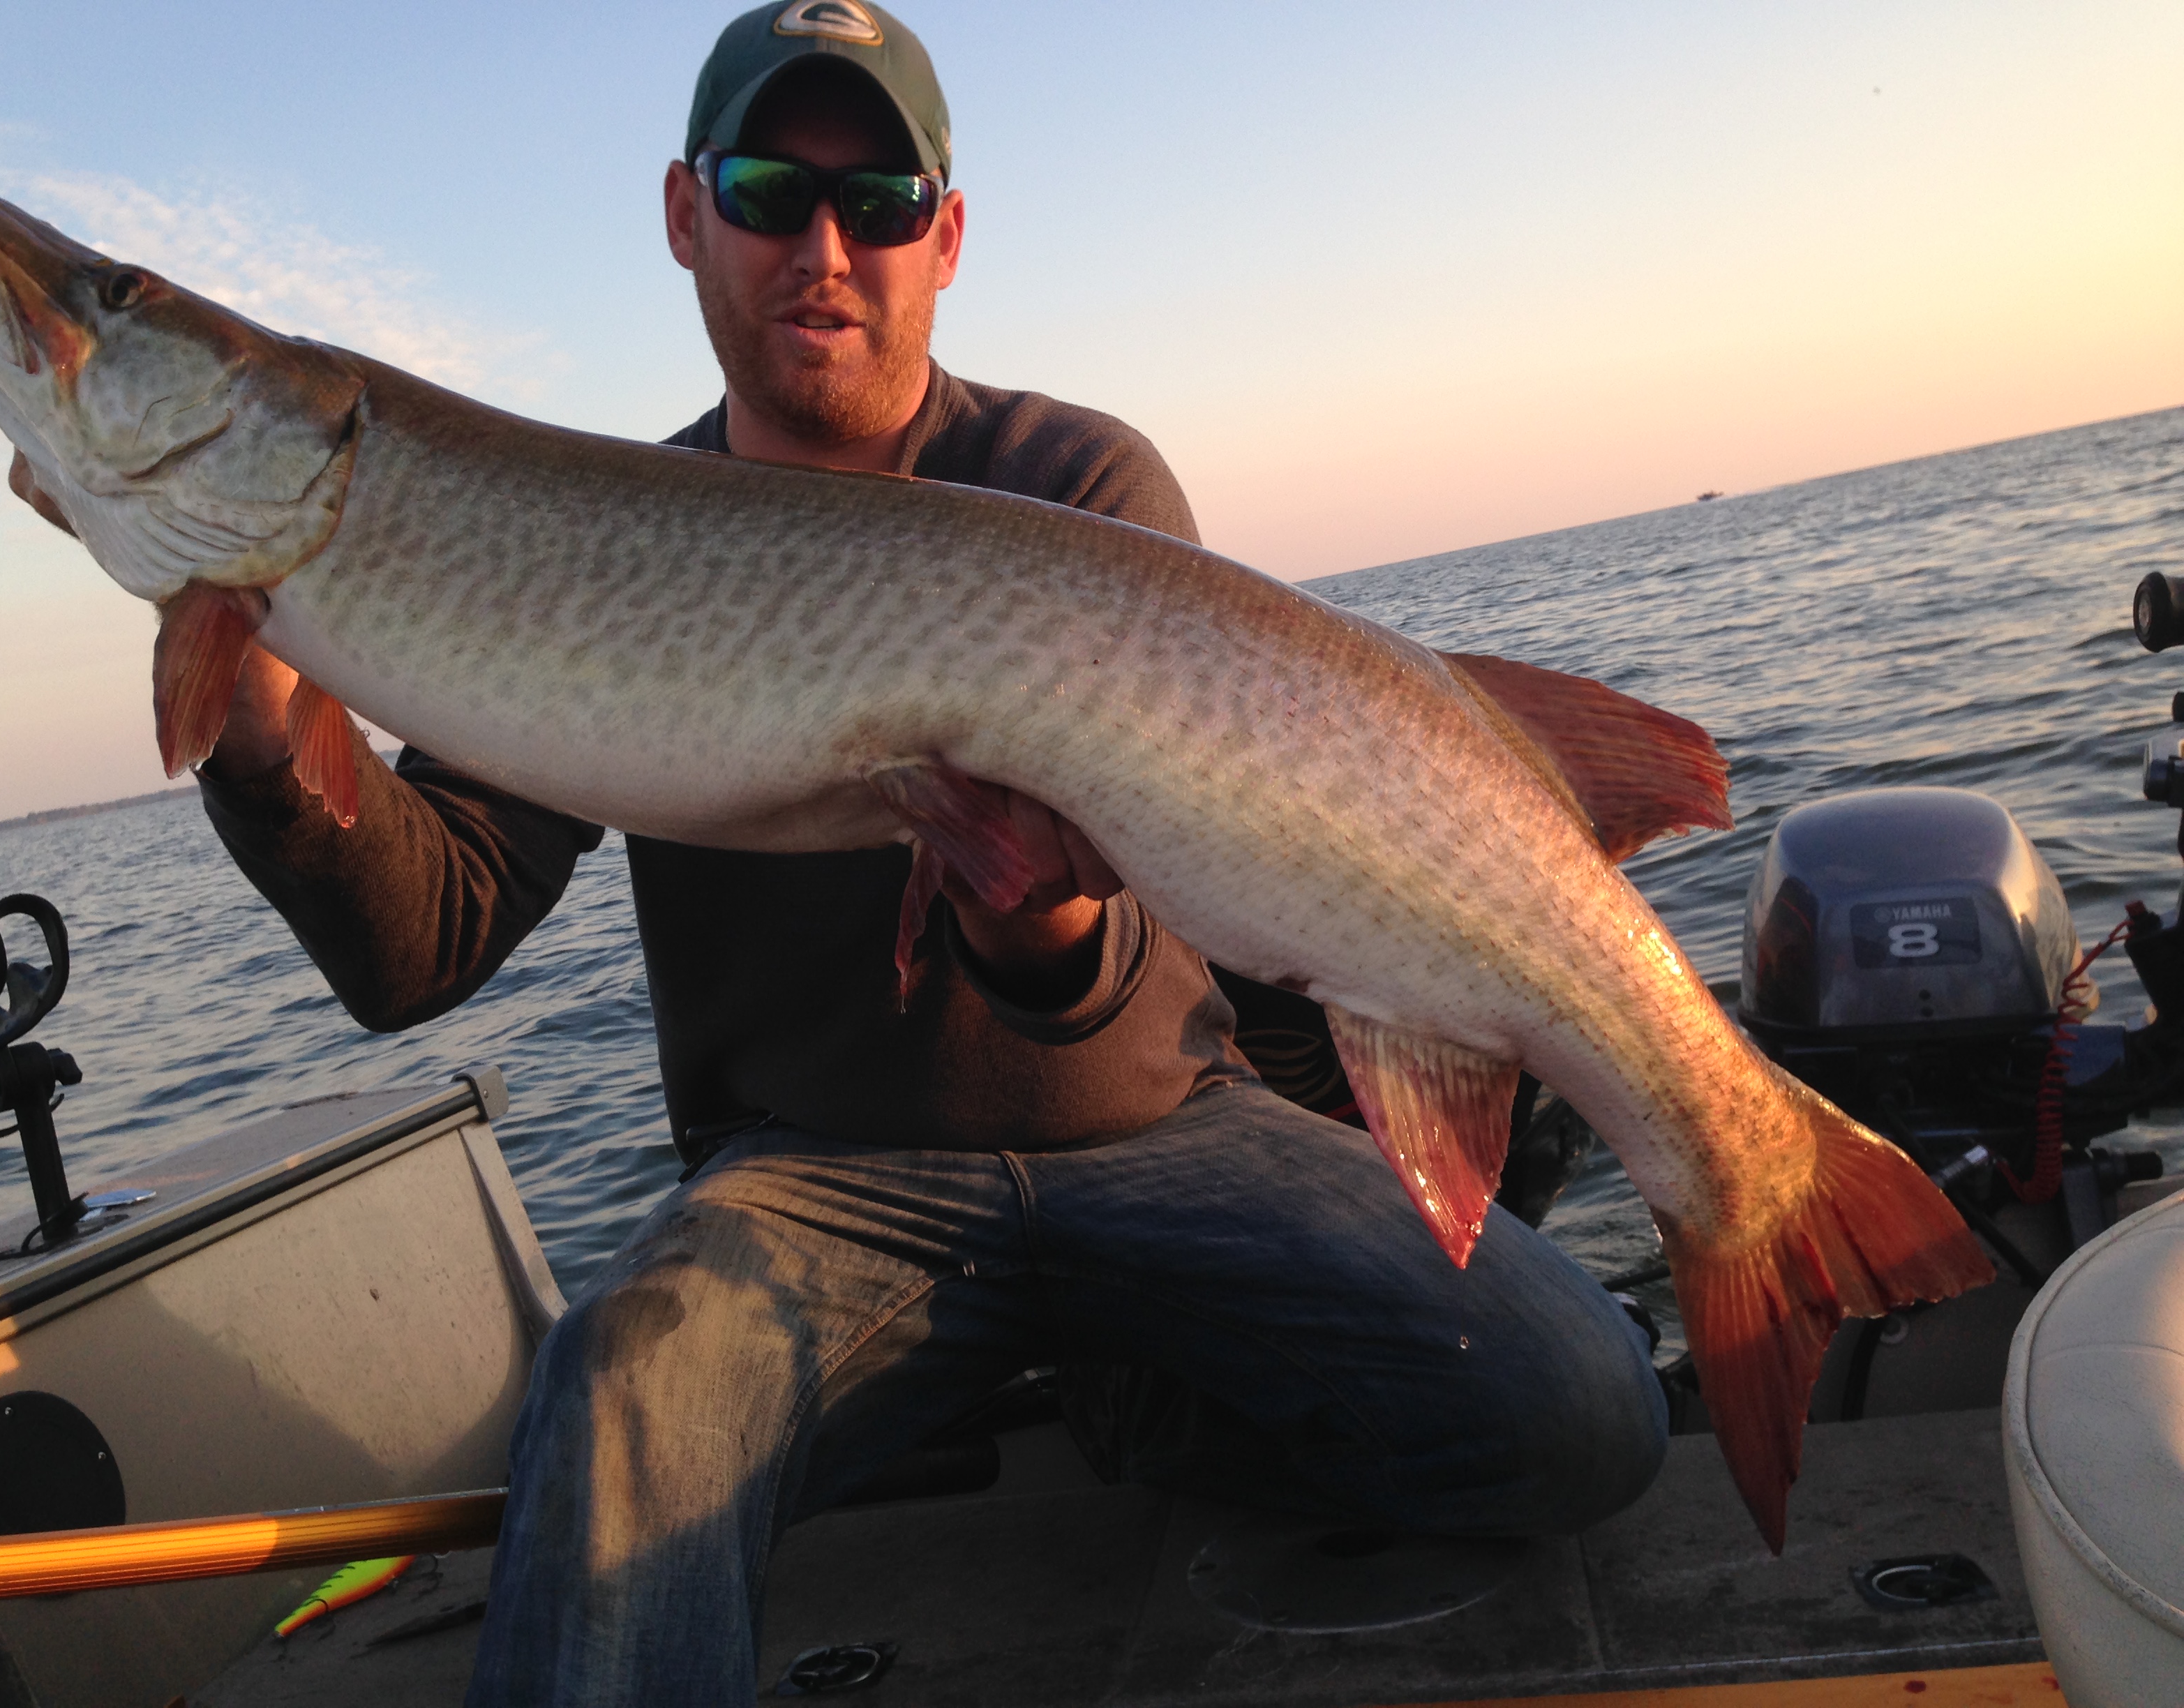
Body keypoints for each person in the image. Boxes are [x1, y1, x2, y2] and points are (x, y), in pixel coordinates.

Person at [161, 5, 1666, 1701]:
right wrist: (261, 711)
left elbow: (1149, 935)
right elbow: (417, 945)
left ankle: (1144, 1385)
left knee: (1582, 1405)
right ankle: (1140, 1388)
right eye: (765, 190)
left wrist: (1046, 935)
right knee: (615, 1393)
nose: (824, 248)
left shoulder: (1070, 476)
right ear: (682, 216)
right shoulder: (590, 540)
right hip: (815, 1187)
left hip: (1159, 1135)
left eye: (877, 201)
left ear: (943, 237)